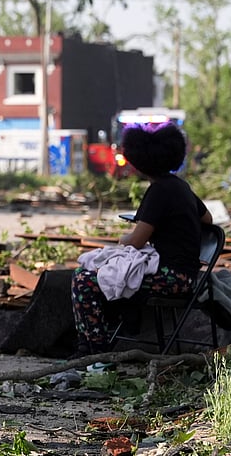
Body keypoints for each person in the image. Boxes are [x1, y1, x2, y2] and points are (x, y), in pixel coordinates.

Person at [70, 123, 212, 356]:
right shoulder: (180, 186)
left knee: (83, 279)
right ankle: (97, 345)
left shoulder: (159, 191)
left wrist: (122, 239)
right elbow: (208, 219)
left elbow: (136, 241)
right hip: (187, 274)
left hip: (172, 278)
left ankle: (95, 350)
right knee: (109, 275)